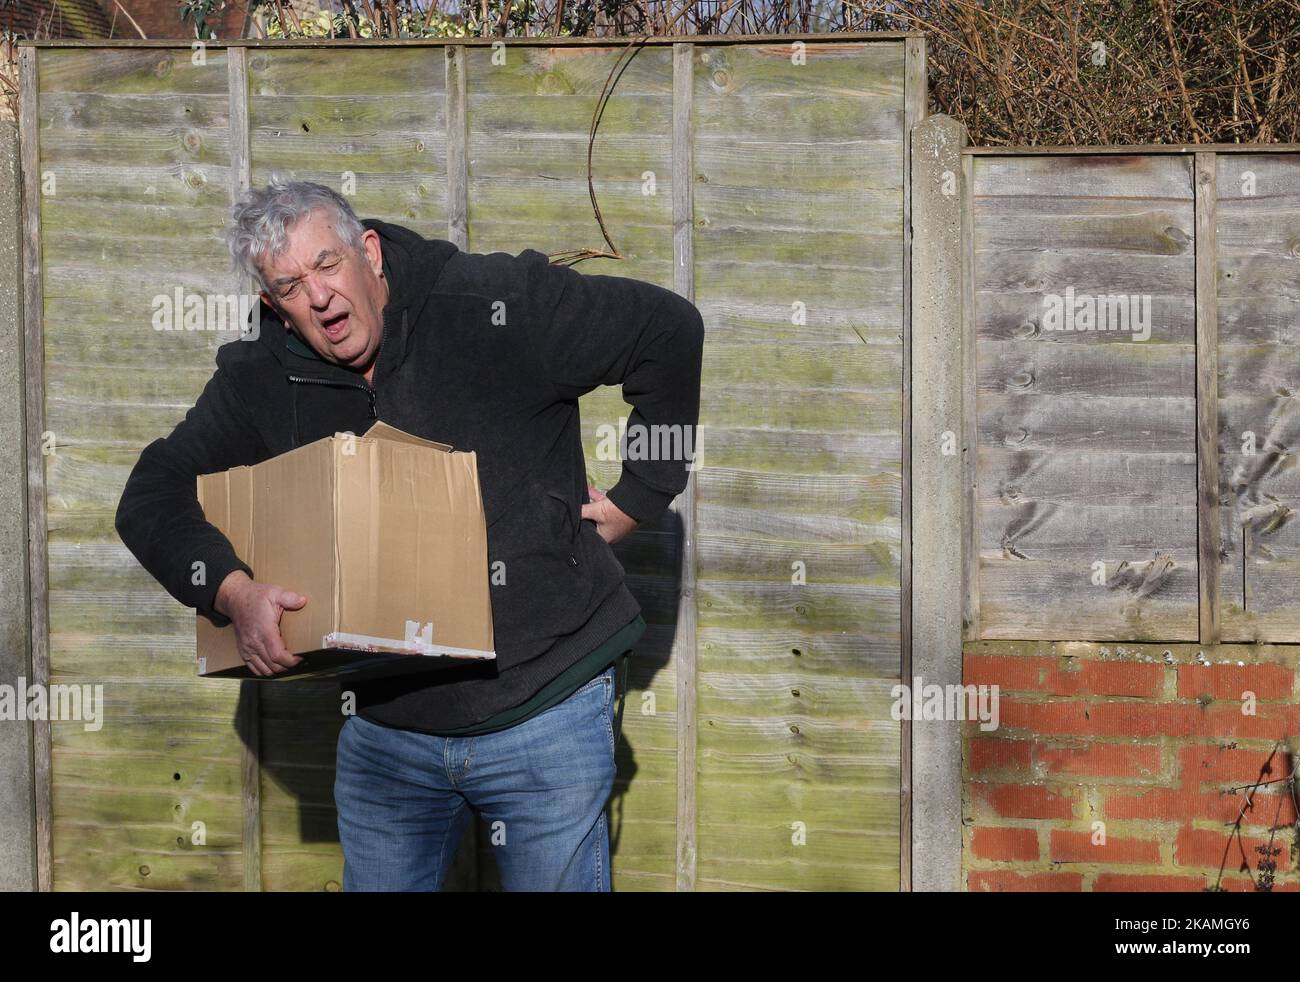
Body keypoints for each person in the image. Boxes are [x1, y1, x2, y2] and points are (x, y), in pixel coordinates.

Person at [114, 178, 704, 891]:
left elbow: (667, 330)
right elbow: (151, 491)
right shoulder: (261, 378)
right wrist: (231, 592)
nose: (320, 297)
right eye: (292, 285)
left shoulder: (493, 304)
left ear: (368, 252)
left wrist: (639, 497)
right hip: (389, 728)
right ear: (274, 305)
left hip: (548, 702)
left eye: (328, 265)